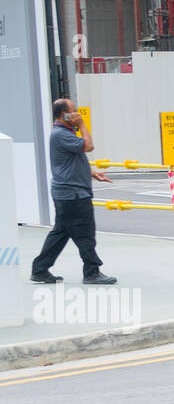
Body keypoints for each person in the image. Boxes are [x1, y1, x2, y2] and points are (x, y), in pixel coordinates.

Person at [31, 98, 117, 285]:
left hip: (67, 194)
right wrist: (83, 124)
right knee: (85, 234)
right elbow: (88, 146)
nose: (77, 113)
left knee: (60, 233)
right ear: (65, 115)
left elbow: (70, 162)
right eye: (74, 110)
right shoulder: (61, 134)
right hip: (73, 195)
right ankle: (92, 272)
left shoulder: (63, 133)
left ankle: (39, 269)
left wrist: (92, 173)